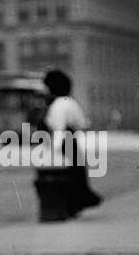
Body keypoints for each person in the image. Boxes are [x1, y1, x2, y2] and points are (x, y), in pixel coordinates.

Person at [43, 68, 102, 216]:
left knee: (68, 175)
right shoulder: (70, 102)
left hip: (63, 142)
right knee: (78, 173)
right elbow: (82, 123)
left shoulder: (58, 105)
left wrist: (53, 151)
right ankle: (78, 203)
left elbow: (59, 128)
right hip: (72, 141)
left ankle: (70, 206)